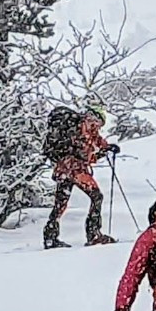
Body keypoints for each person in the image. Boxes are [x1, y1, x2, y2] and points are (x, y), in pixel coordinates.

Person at [43, 105, 120, 250]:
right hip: (75, 169)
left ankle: (50, 237)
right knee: (97, 196)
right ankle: (93, 234)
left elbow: (89, 148)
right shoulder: (87, 125)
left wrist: (104, 149)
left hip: (63, 167)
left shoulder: (75, 125)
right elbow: (87, 149)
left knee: (60, 203)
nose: (98, 127)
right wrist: (105, 149)